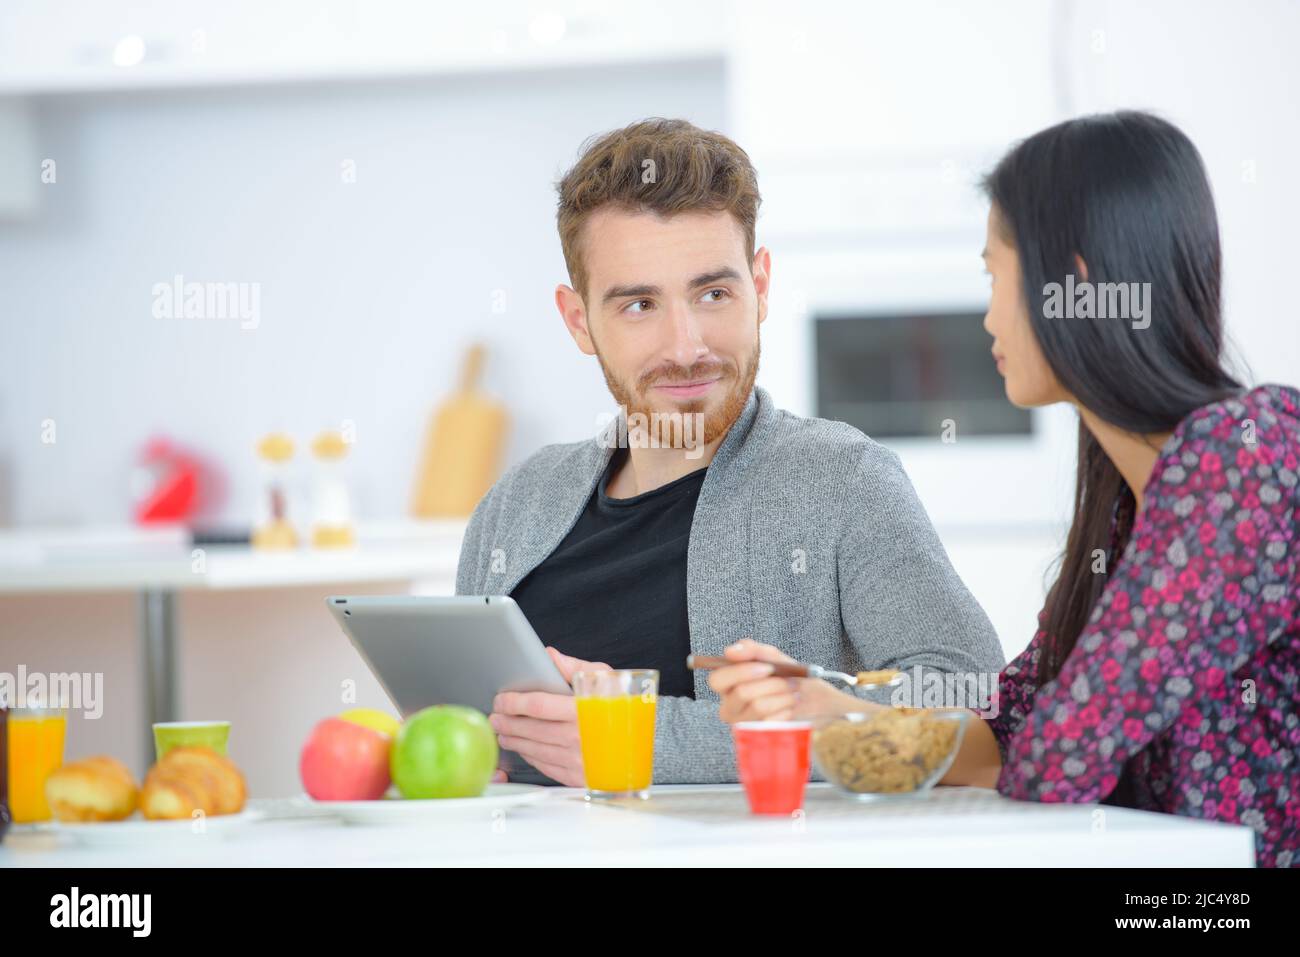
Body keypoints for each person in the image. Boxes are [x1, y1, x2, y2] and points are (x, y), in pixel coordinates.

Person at [710, 111, 1299, 867]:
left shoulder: (1246, 457)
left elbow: (1060, 754)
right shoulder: (1122, 509)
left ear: (1075, 284)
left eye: (994, 275)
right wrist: (832, 709)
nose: (988, 316)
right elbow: (1011, 721)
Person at [456, 118, 1005, 787]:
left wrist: (633, 740)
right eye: (639, 305)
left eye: (713, 293)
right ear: (579, 321)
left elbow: (975, 700)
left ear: (761, 285)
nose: (686, 345)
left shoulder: (841, 480)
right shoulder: (514, 505)